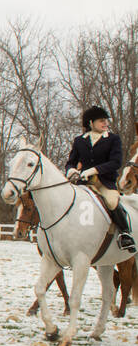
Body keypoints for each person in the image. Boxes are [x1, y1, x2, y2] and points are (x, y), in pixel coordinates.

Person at [66, 105, 135, 252]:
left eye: (106, 121)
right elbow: (71, 161)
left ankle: (125, 234)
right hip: (83, 183)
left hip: (104, 183)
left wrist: (93, 170)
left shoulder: (113, 139)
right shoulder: (79, 141)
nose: (105, 123)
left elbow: (115, 162)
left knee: (111, 201)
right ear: (90, 123)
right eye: (101, 121)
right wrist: (71, 171)